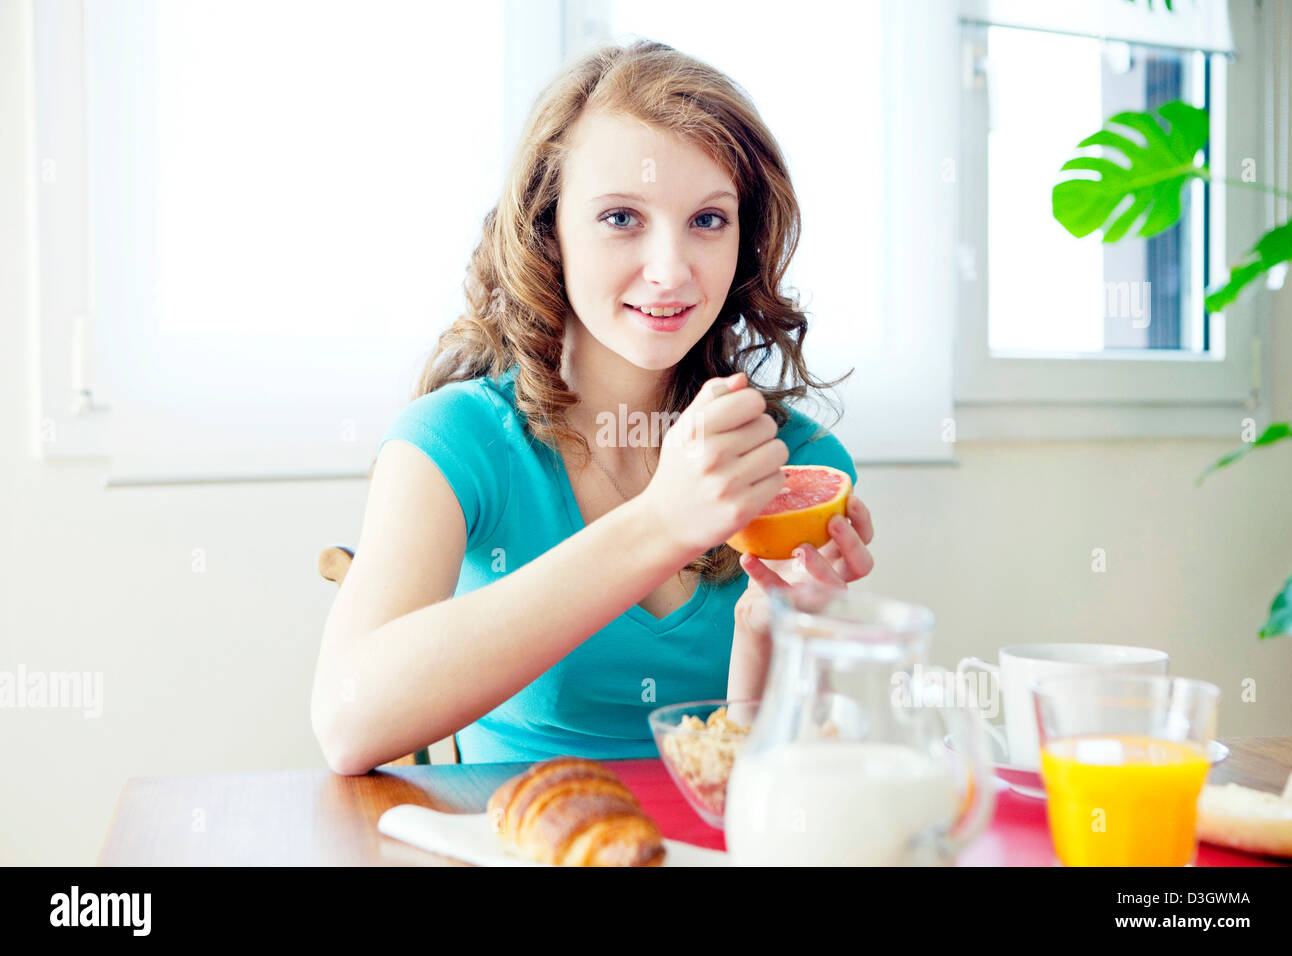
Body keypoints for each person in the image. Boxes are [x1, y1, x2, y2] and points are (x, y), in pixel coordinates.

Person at [311, 39, 875, 775]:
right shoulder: (456, 440)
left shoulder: (793, 462)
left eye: (708, 220)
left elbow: (776, 782)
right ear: (549, 233)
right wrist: (660, 524)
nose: (672, 270)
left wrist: (770, 635)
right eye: (620, 218)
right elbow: (348, 723)